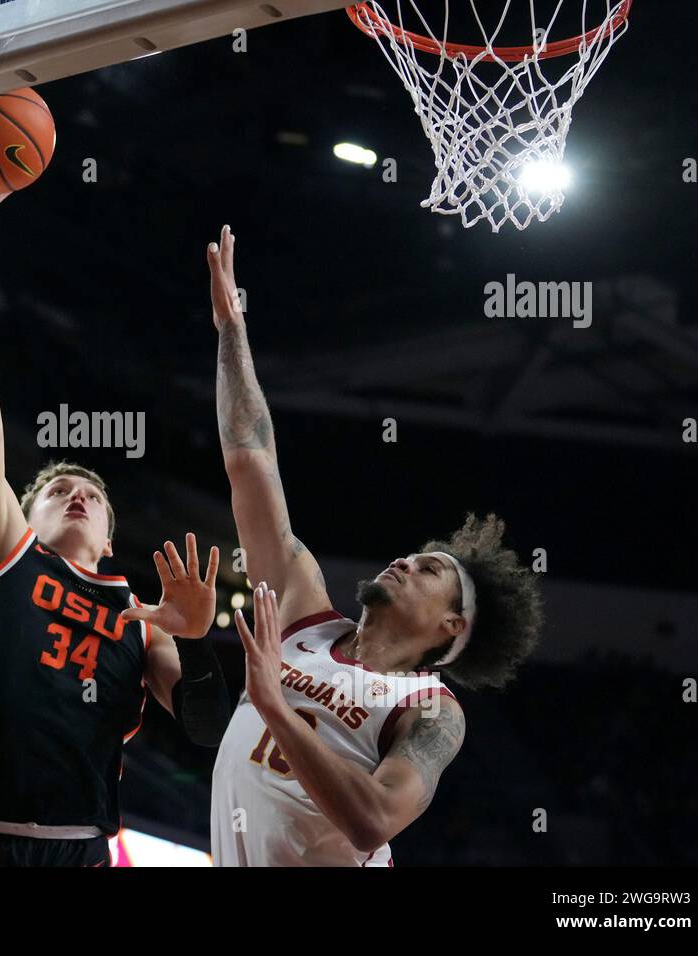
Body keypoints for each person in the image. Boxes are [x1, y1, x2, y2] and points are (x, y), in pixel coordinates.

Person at [0, 140, 232, 867]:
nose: (77, 494)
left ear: (110, 536)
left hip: (81, 852)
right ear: (26, 512)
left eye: (93, 495)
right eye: (58, 490)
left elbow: (208, 728)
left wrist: (199, 636)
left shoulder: (141, 623)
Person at [205, 224, 543, 866]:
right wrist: (231, 333)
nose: (407, 560)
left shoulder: (430, 710)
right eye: (415, 553)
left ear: (452, 624)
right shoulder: (303, 614)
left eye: (430, 569)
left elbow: (372, 821)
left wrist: (276, 707)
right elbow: (252, 463)